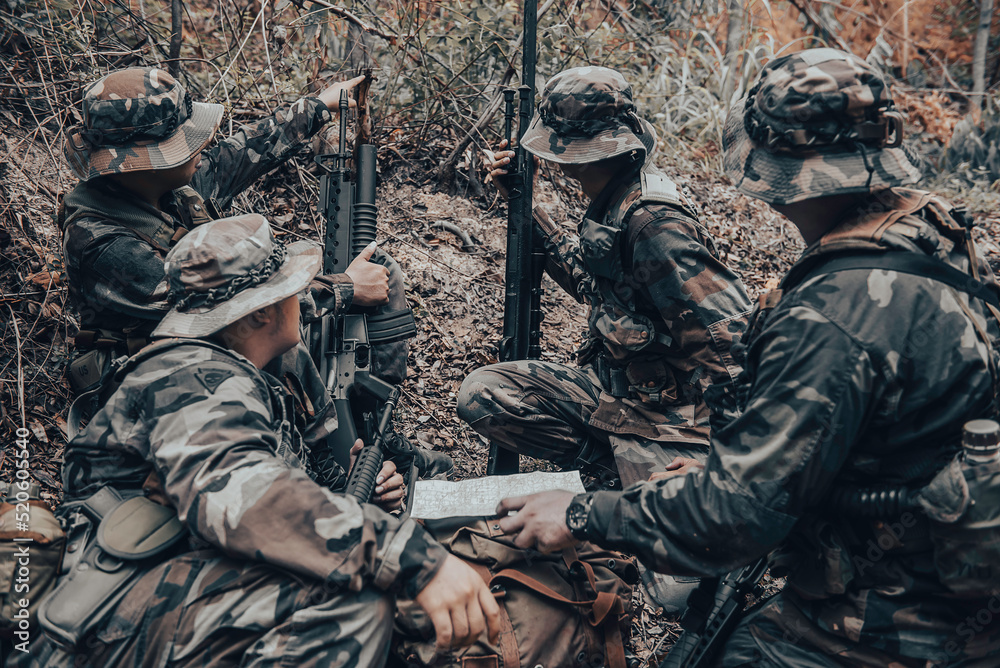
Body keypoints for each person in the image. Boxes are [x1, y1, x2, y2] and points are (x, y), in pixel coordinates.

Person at [492, 48, 1000, 665]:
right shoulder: (928, 232)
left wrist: (581, 513)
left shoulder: (829, 312)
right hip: (941, 554)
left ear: (772, 165)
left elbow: (739, 514)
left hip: (905, 610)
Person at [19, 214, 500, 667]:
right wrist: (408, 556)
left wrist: (354, 499)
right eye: (290, 288)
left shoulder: (235, 370)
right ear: (260, 314)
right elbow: (244, 498)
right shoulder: (194, 377)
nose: (300, 298)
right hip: (103, 613)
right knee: (351, 605)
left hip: (155, 586)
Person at [60, 65, 450, 478]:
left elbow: (240, 155)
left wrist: (316, 107)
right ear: (144, 161)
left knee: (375, 266)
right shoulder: (101, 242)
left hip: (214, 329)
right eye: (183, 141)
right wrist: (344, 289)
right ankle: (325, 467)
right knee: (278, 338)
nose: (201, 144)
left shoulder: (162, 188)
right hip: (151, 369)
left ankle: (375, 431)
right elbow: (219, 310)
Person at [458, 66, 752, 491]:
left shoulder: (653, 223)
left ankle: (641, 475)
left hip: (674, 419)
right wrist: (525, 203)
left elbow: (730, 344)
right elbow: (589, 282)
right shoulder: (615, 200)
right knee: (484, 394)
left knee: (665, 520)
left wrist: (733, 465)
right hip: (618, 395)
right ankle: (607, 466)